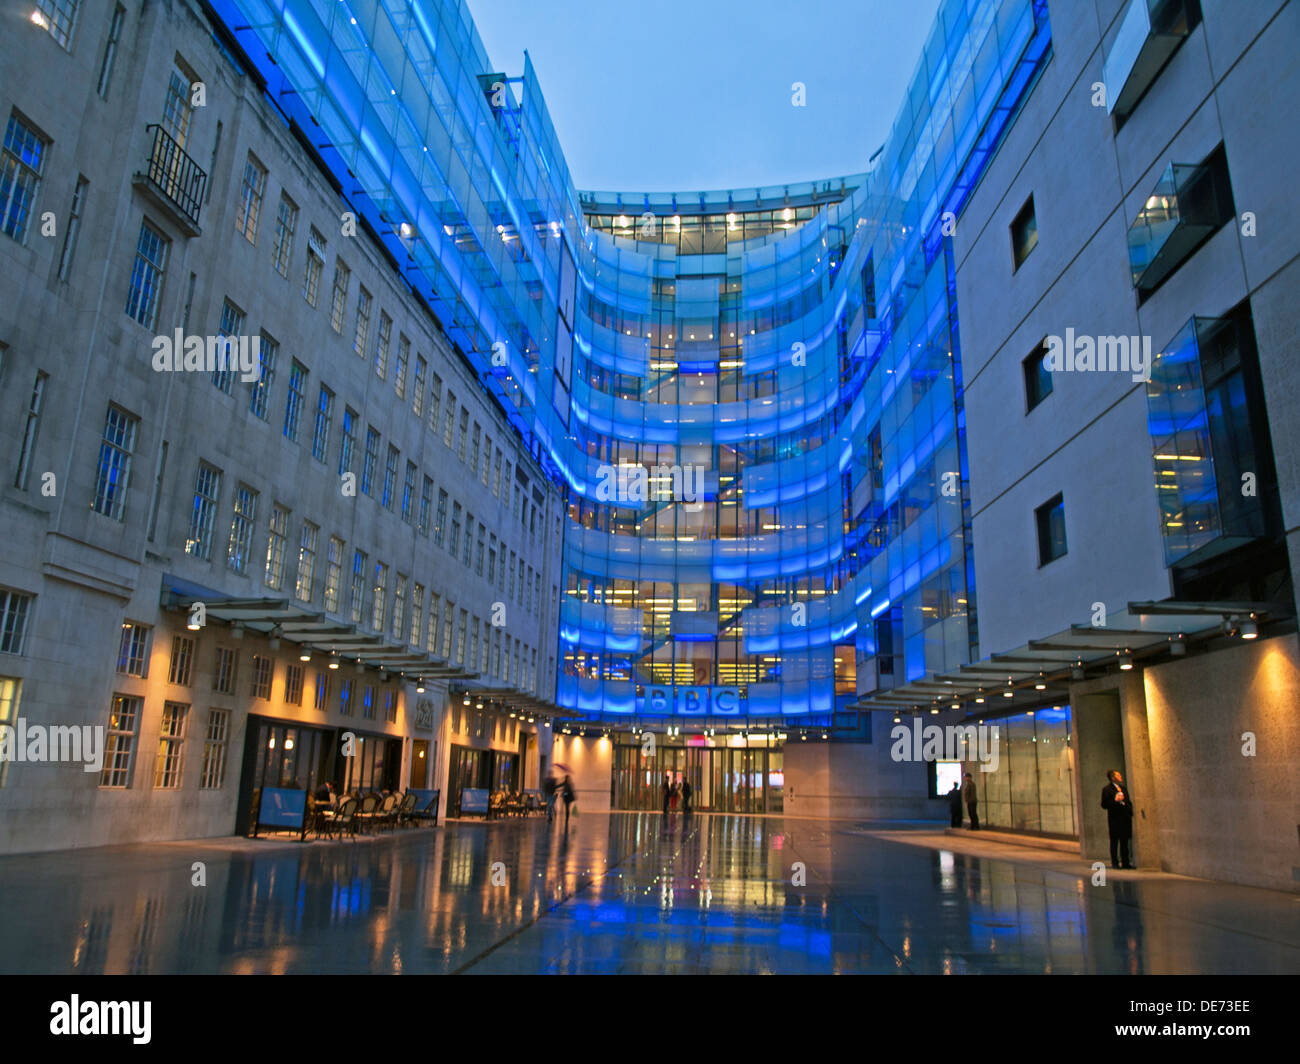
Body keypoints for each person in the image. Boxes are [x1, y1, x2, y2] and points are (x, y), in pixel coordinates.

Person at [1101, 769, 1135, 869]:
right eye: (1118, 775)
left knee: (1124, 841)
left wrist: (1129, 812)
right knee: (1115, 841)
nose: (1120, 777)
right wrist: (1115, 801)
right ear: (1113, 778)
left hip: (1125, 818)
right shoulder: (1107, 789)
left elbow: (1128, 801)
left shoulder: (1123, 788)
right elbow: (1104, 804)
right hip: (1115, 819)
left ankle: (1126, 862)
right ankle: (1115, 862)